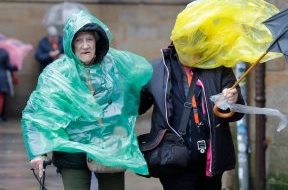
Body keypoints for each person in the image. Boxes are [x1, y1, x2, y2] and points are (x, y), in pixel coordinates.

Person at [23, 11, 152, 190]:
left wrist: (129, 113)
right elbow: (40, 113)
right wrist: (39, 152)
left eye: (89, 39)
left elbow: (136, 94)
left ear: (96, 42)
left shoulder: (114, 66)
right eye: (79, 40)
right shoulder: (57, 74)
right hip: (73, 153)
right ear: (70, 44)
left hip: (110, 149)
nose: (85, 46)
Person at [138, 43, 245, 190]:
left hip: (210, 159)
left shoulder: (219, 68)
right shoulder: (157, 69)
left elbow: (237, 114)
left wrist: (232, 101)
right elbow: (137, 107)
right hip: (174, 158)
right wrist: (129, 89)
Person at [0, 49, 17, 122]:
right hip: (2, 78)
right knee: (2, 98)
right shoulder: (4, 52)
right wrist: (15, 67)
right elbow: (8, 66)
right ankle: (2, 116)